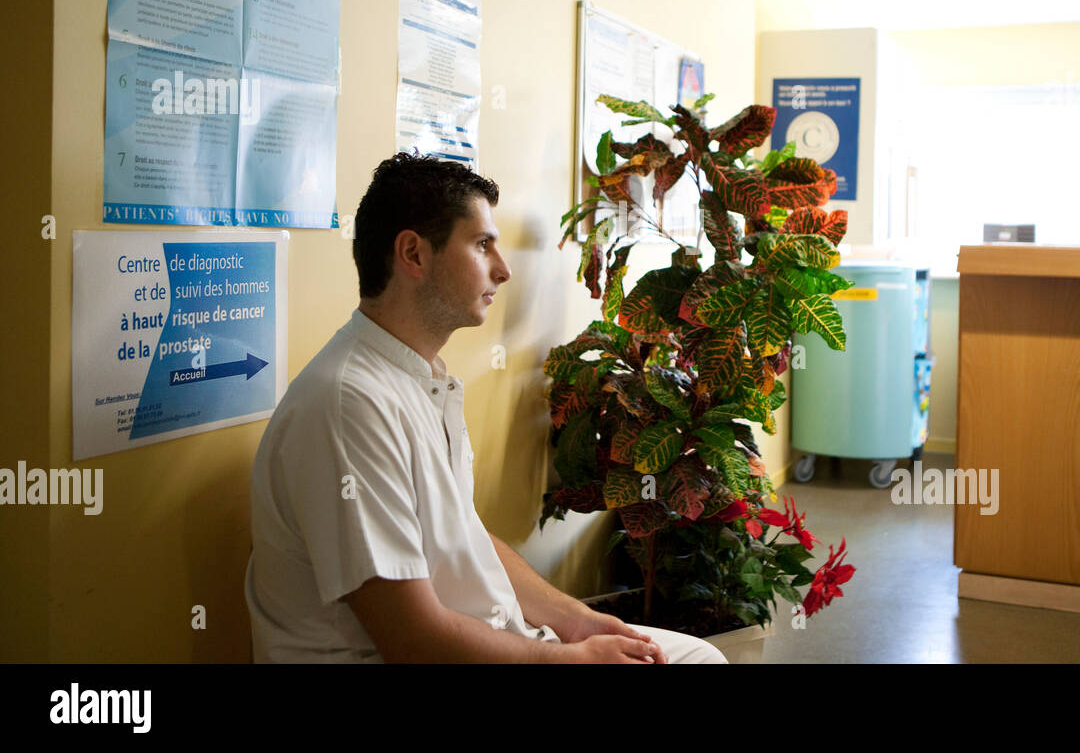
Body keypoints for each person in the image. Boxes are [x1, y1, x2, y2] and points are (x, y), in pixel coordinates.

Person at [244, 152, 725, 663]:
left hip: (491, 640)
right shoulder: (349, 405)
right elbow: (412, 640)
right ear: (413, 254)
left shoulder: (421, 379)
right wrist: (577, 660)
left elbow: (464, 536)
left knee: (694, 656)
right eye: (481, 245)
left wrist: (574, 620)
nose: (504, 269)